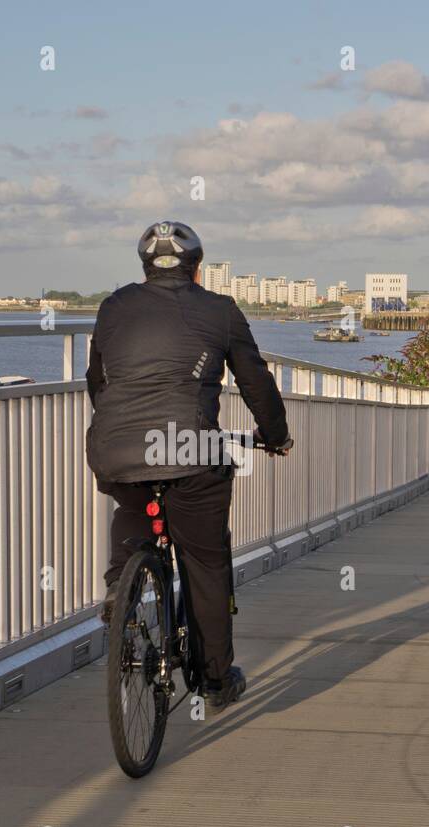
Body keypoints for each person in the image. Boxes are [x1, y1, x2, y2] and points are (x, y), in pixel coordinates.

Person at [86, 221, 292, 709]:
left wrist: (121, 429)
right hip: (190, 452)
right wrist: (276, 436)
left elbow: (98, 380)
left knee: (133, 503)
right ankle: (215, 680)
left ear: (144, 267)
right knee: (204, 563)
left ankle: (121, 584)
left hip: (116, 446)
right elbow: (255, 381)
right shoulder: (219, 310)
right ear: (196, 268)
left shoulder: (113, 306)